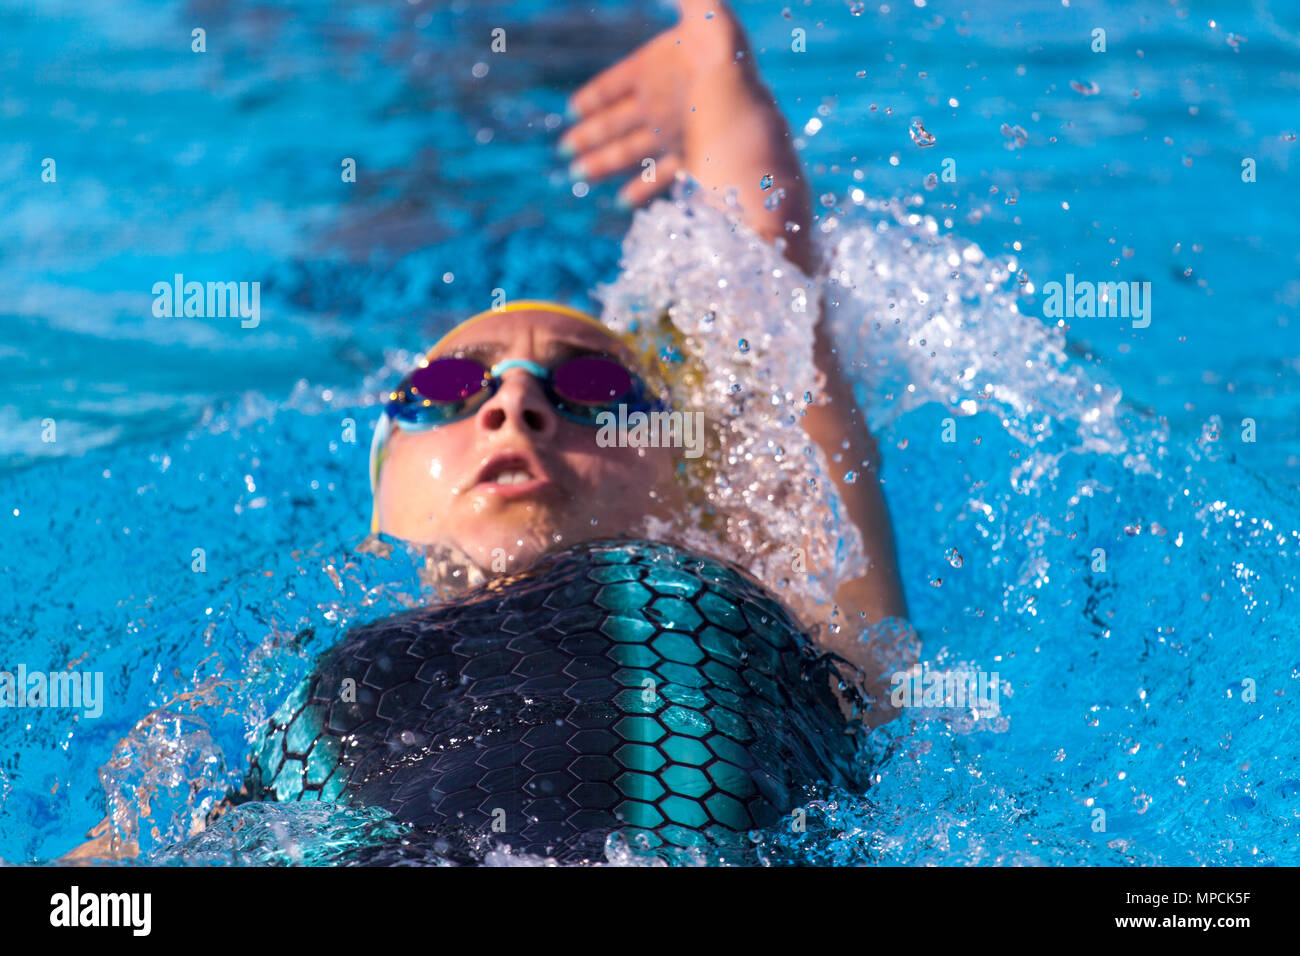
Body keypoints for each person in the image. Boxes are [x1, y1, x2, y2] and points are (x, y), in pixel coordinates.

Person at [68, 0, 907, 864]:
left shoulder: (802, 612)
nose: (512, 402)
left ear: (689, 472)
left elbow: (775, 316)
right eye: (443, 389)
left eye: (592, 387)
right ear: (376, 516)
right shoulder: (259, 694)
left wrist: (715, 73)